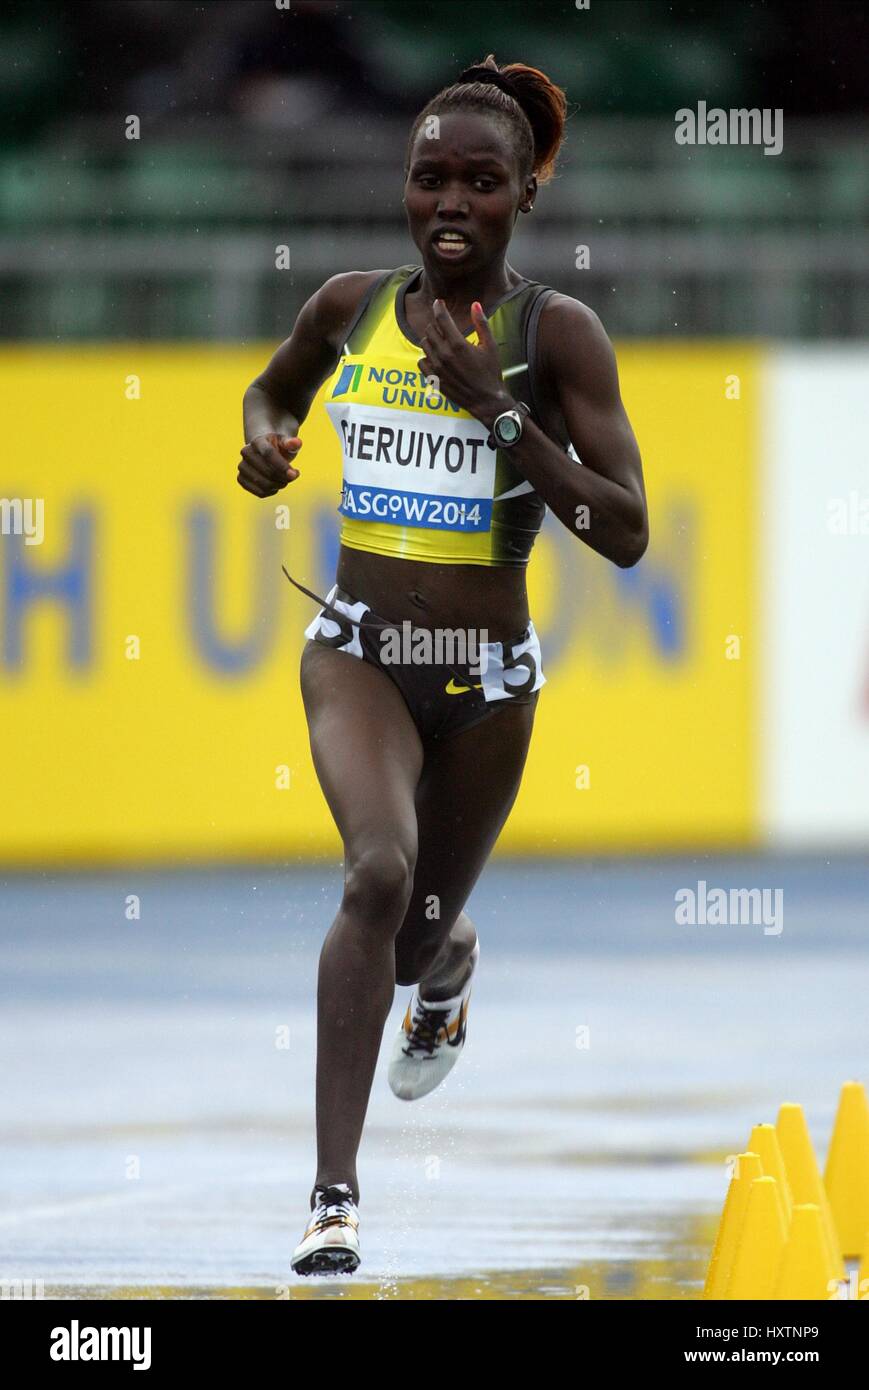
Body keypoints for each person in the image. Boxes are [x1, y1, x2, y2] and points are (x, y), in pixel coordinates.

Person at [238, 54, 648, 1275]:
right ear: (403, 191)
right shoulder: (347, 309)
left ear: (526, 195)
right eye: (430, 182)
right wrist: (265, 443)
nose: (450, 204)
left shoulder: (552, 335)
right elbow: (270, 394)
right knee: (374, 876)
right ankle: (332, 1195)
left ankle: (449, 957)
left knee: (414, 932)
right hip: (359, 654)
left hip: (485, 688)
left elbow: (623, 531)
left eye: (481, 181)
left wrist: (497, 410)